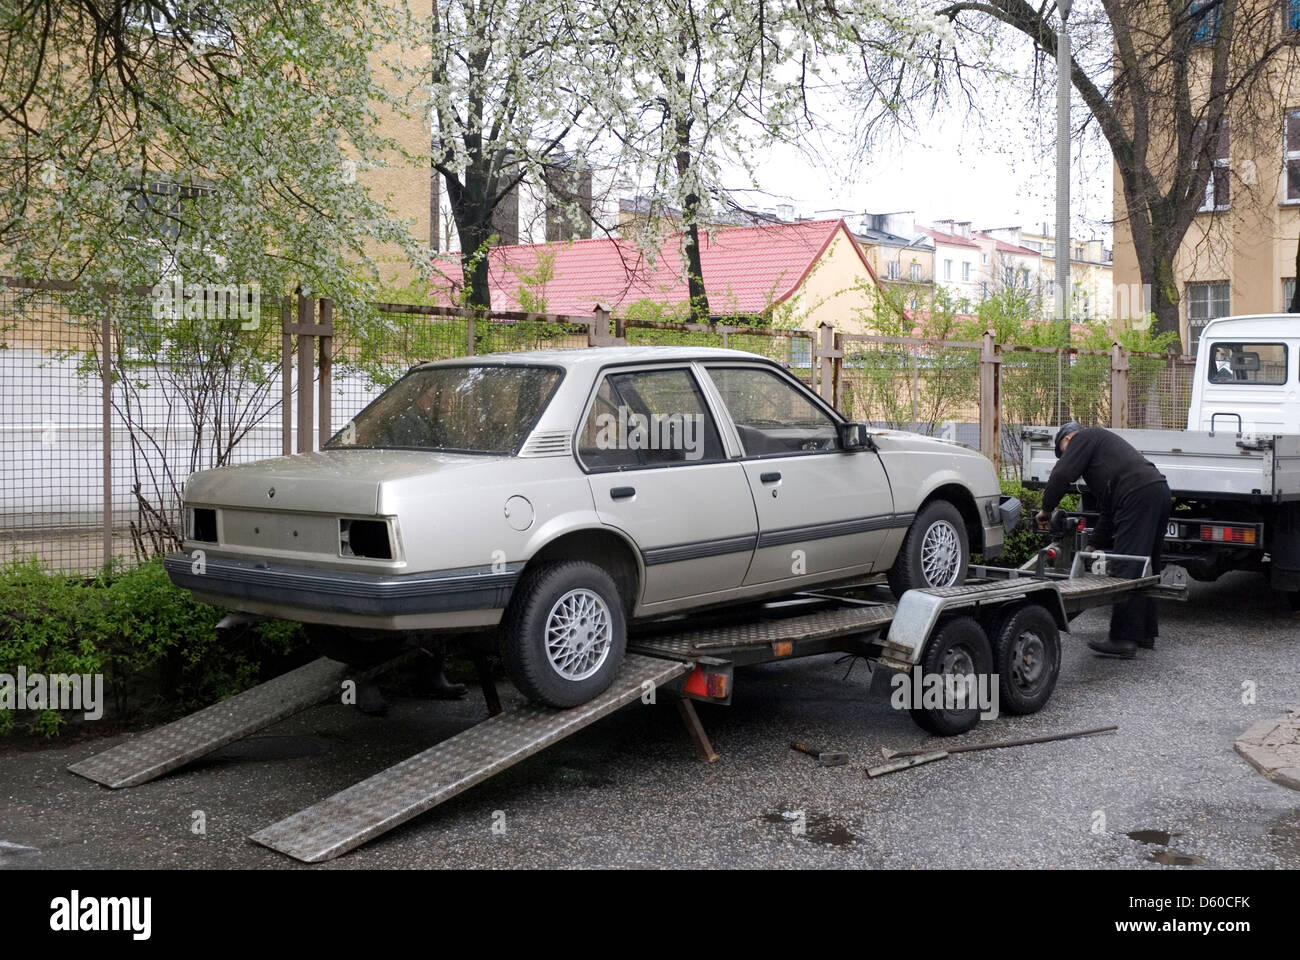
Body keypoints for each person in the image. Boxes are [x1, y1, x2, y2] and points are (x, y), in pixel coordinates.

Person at [1035, 421, 1171, 659]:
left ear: (1067, 440)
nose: (1066, 457)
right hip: (1157, 490)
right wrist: (1092, 544)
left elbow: (1062, 473)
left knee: (1127, 565)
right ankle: (1145, 633)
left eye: (1063, 452)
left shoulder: (1084, 437)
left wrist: (1046, 509)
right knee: (1147, 564)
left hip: (1137, 494)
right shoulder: (1105, 460)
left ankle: (1123, 638)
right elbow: (1108, 511)